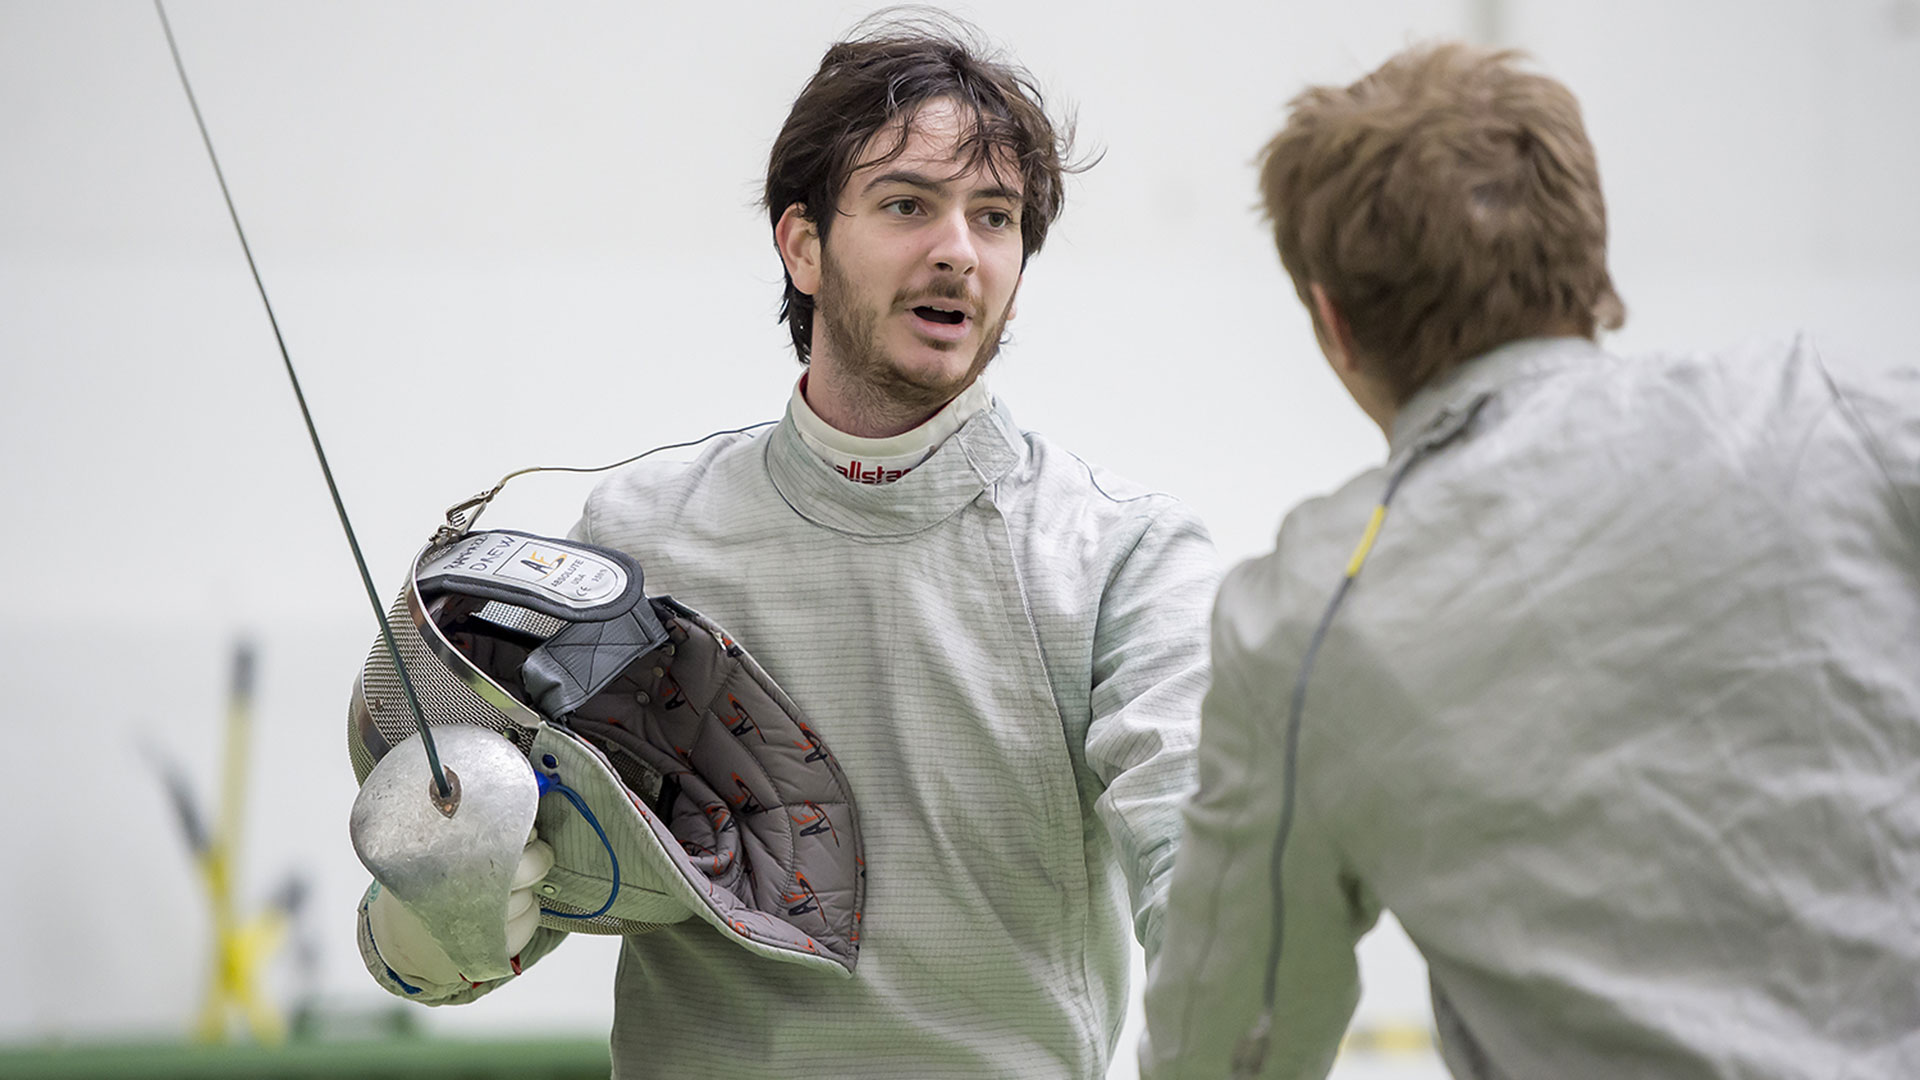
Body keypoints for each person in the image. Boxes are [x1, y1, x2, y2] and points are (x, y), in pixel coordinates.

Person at [356, 15, 1220, 1079]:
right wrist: (433, 913)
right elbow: (492, 913)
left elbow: (1202, 856)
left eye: (994, 217)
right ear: (803, 246)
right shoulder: (640, 538)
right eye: (907, 204)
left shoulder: (1122, 555)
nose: (958, 249)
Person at [1140, 42, 1920, 1080]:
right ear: (1595, 265)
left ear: (1333, 323)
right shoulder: (1839, 411)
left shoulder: (1304, 616)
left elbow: (1230, 1047)